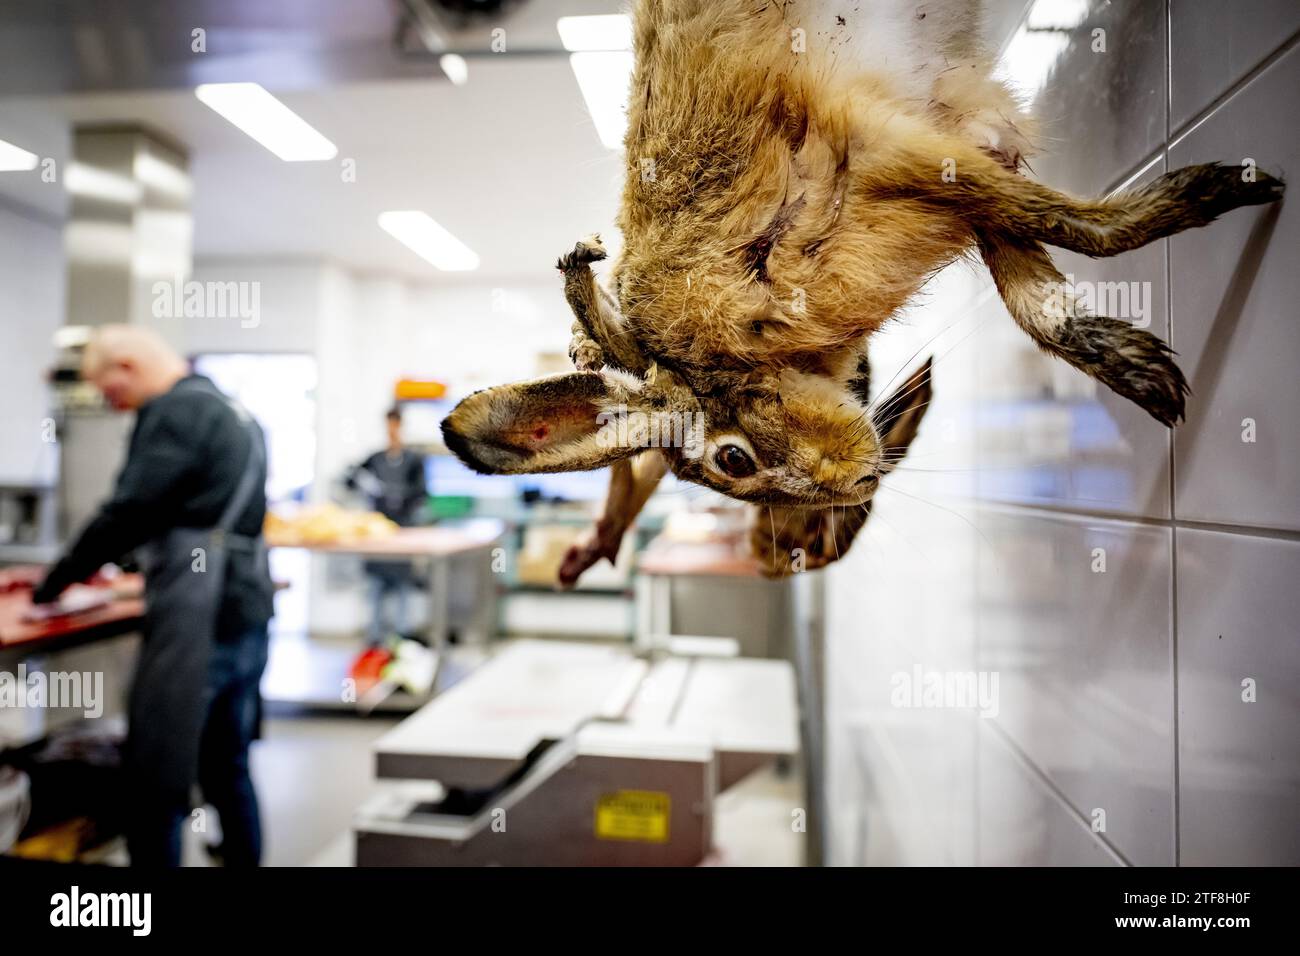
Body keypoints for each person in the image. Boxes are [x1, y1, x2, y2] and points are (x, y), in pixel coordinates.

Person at [33, 325, 274, 867]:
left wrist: (56, 583)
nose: (111, 404)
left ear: (127, 367)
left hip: (199, 613)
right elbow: (196, 508)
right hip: (247, 603)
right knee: (226, 761)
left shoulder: (174, 410)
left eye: (109, 390)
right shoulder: (237, 413)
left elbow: (130, 510)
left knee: (158, 771)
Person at [345, 407, 427, 645]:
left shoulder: (414, 461)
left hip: (403, 531)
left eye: (396, 426)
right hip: (377, 533)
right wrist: (363, 483)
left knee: (403, 585)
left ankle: (401, 639)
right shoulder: (375, 459)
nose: (392, 431)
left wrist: (400, 497)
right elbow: (350, 480)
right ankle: (374, 639)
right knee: (376, 585)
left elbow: (421, 493)